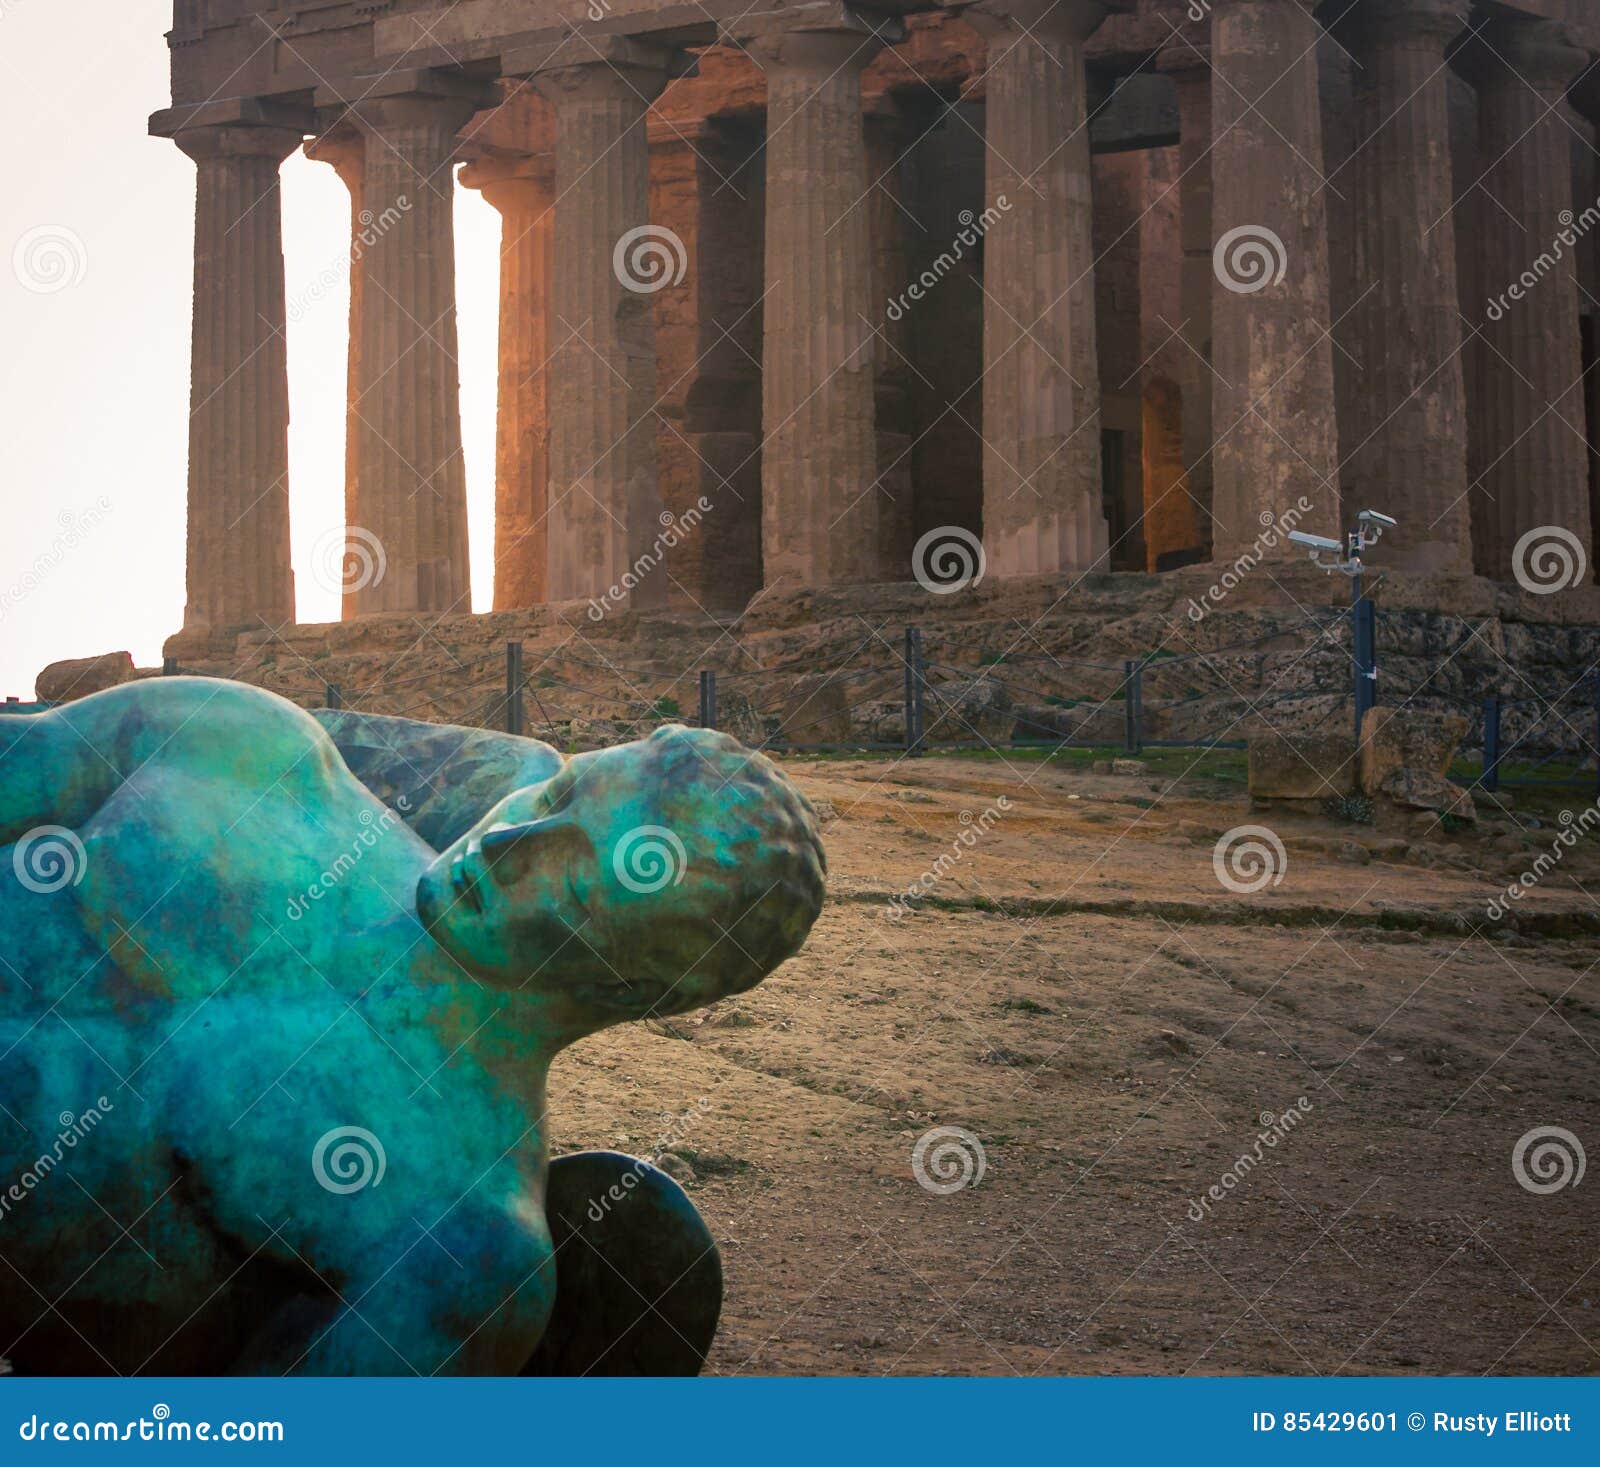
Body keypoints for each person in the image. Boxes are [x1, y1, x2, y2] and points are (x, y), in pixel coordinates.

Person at [0, 677, 824, 1374]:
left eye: (572, 882)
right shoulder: (257, 745)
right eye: (558, 792)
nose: (509, 843)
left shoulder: (465, 1248)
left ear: (633, 986)